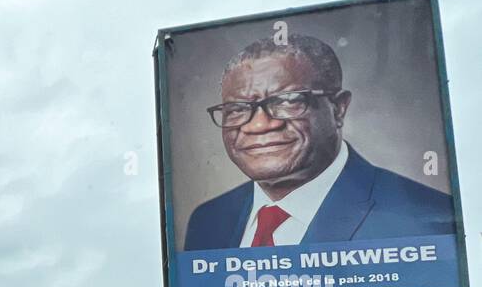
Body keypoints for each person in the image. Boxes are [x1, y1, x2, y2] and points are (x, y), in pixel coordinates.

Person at [184, 34, 455, 251]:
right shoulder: (208, 221)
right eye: (238, 108)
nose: (259, 125)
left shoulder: (427, 220)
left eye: (288, 102)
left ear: (338, 109)